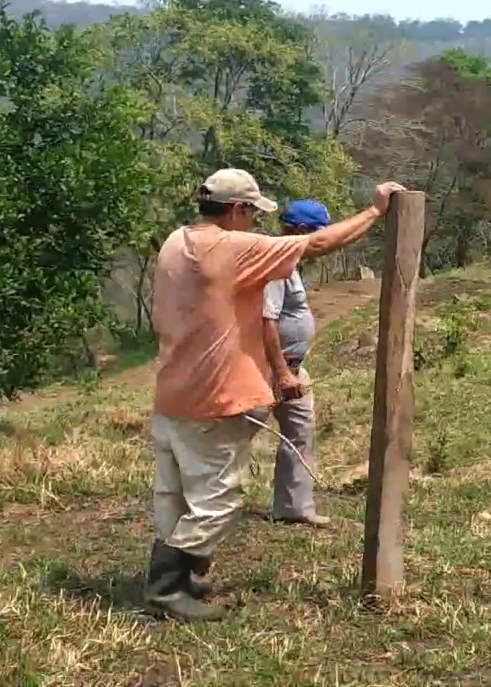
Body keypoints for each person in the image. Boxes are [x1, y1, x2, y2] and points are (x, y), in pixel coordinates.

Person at [146, 169, 405, 622]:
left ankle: (180, 577)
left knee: (174, 494)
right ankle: (167, 587)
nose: (254, 222)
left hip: (173, 393)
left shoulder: (175, 241)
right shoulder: (229, 247)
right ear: (236, 210)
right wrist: (376, 209)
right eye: (251, 212)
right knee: (218, 499)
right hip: (213, 398)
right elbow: (318, 244)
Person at [262, 199, 331, 528]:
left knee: (300, 432)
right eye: (319, 234)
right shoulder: (276, 265)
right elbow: (267, 320)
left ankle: (293, 506)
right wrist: (280, 373)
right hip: (268, 370)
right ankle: (206, 505)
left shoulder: (290, 263)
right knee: (234, 437)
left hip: (292, 368)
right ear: (302, 232)